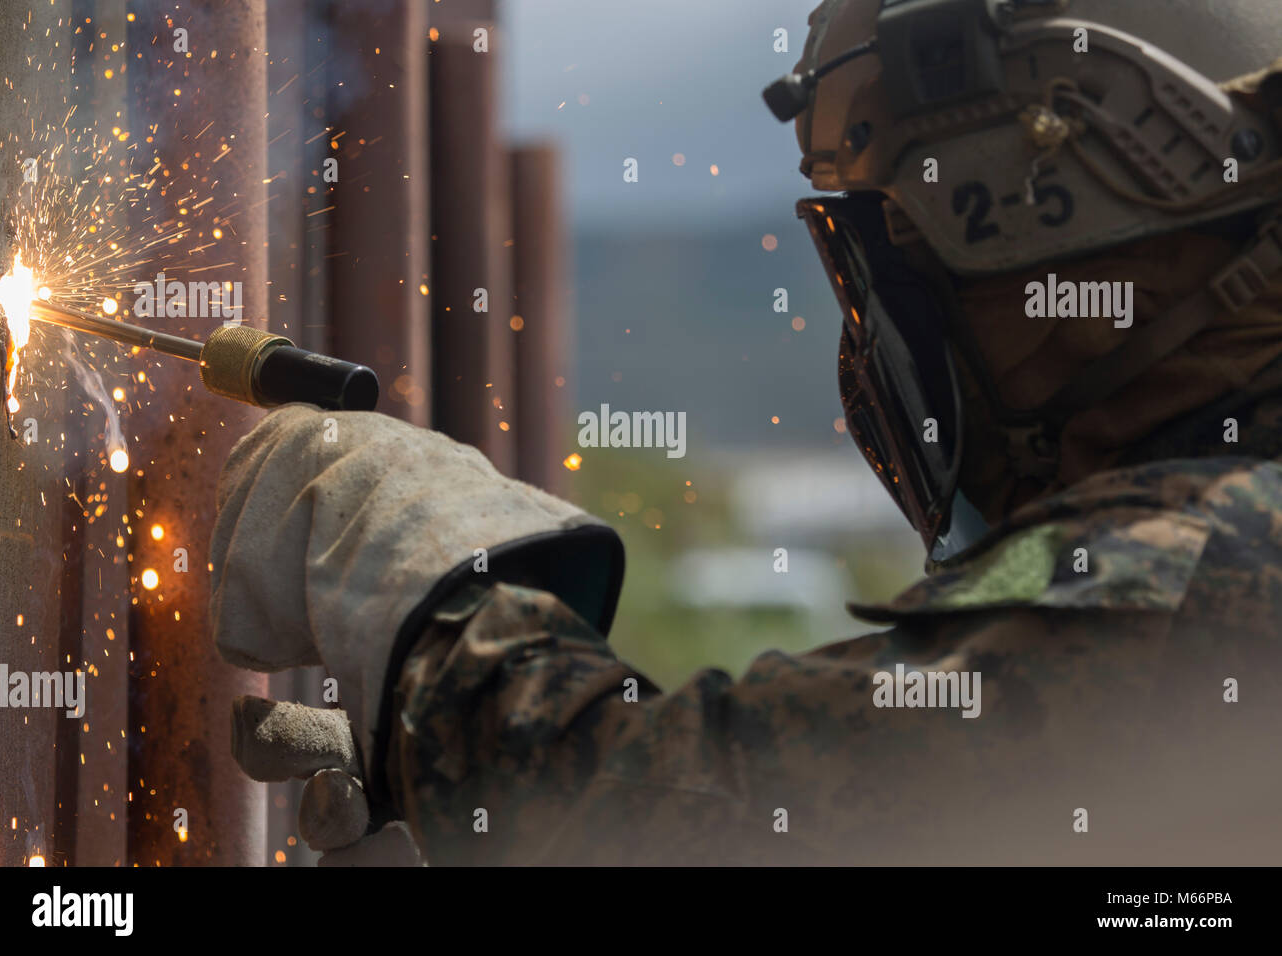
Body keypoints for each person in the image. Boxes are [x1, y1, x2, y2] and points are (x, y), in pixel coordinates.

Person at [210, 0, 1282, 864]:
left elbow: (690, 816)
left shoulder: (1205, 569)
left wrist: (429, 594)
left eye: (902, 258)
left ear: (1043, 218)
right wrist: (452, 785)